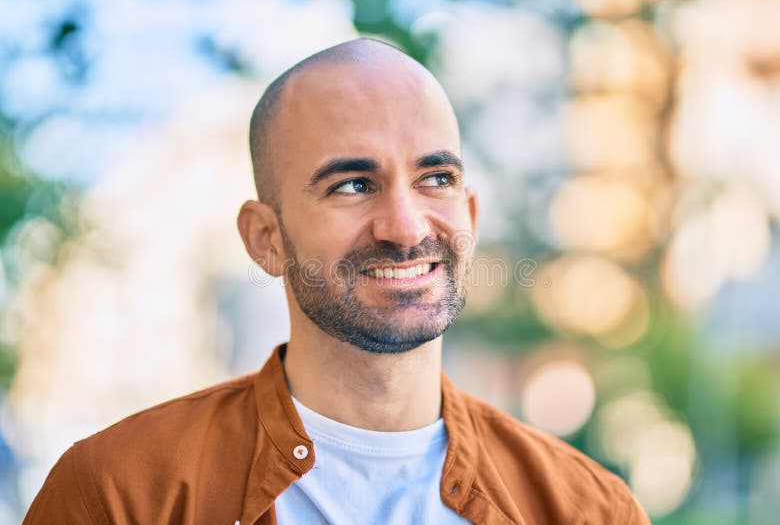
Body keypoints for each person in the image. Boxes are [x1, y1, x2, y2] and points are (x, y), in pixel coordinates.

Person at [24, 38, 650, 525]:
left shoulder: (586, 509)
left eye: (436, 179)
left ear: (472, 218)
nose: (405, 228)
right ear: (265, 239)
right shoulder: (119, 494)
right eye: (352, 185)